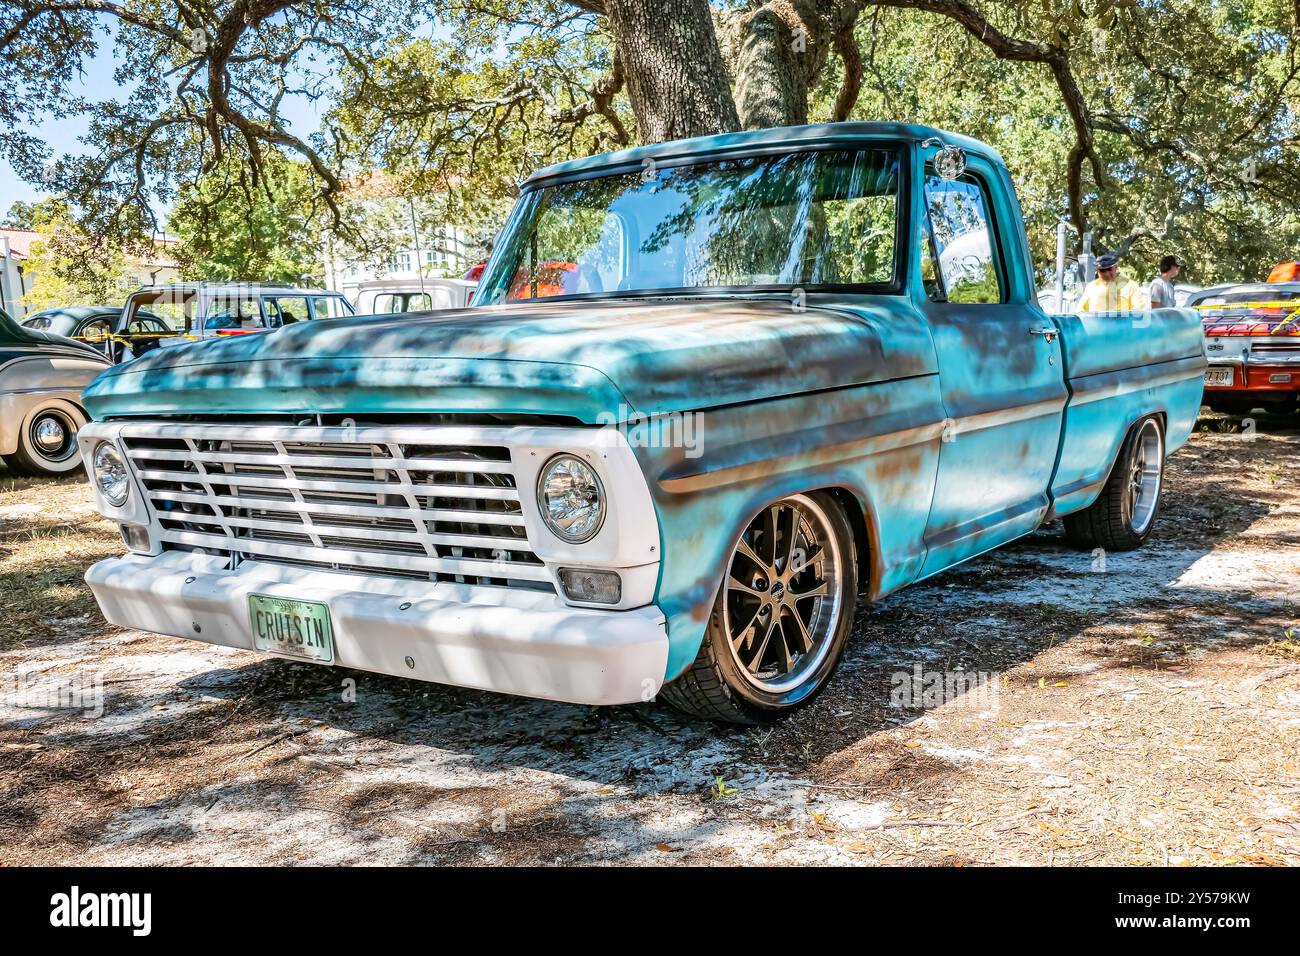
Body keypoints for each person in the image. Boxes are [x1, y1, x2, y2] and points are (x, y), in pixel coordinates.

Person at [1078, 253, 1146, 312]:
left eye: (1109, 269)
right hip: (1096, 325)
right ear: (1097, 271)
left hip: (1122, 325)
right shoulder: (1091, 287)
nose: (1106, 273)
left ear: (1116, 267)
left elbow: (1138, 310)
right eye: (1103, 270)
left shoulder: (1130, 285)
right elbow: (1080, 311)